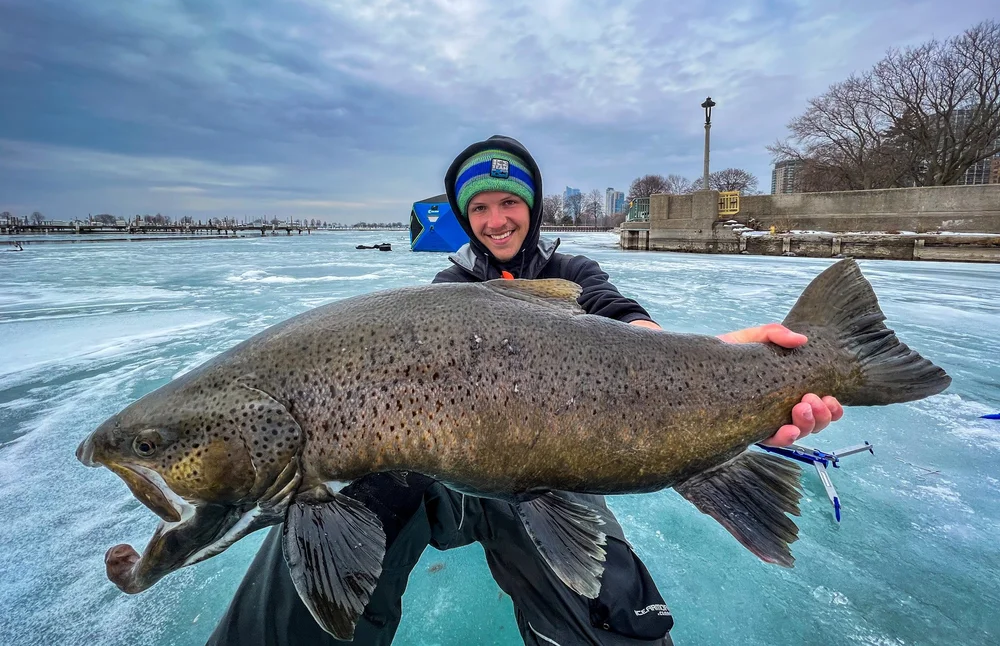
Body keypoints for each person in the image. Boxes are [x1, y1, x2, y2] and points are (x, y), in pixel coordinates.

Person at [207, 135, 842, 646]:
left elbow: (630, 325)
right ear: (464, 217)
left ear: (531, 207)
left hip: (558, 469)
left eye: (507, 203)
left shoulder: (574, 272)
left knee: (611, 604)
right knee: (314, 528)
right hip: (446, 478)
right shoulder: (446, 293)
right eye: (478, 208)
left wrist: (726, 365)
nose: (495, 219)